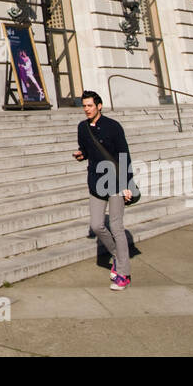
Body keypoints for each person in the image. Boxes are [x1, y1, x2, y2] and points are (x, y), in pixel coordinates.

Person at [73, 90, 133, 289]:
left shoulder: (113, 126)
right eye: (84, 106)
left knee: (116, 226)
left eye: (89, 105)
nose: (86, 109)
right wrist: (81, 154)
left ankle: (123, 273)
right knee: (97, 224)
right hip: (96, 182)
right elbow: (86, 150)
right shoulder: (82, 127)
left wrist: (126, 185)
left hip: (115, 181)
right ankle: (118, 255)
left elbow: (124, 155)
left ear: (99, 106)